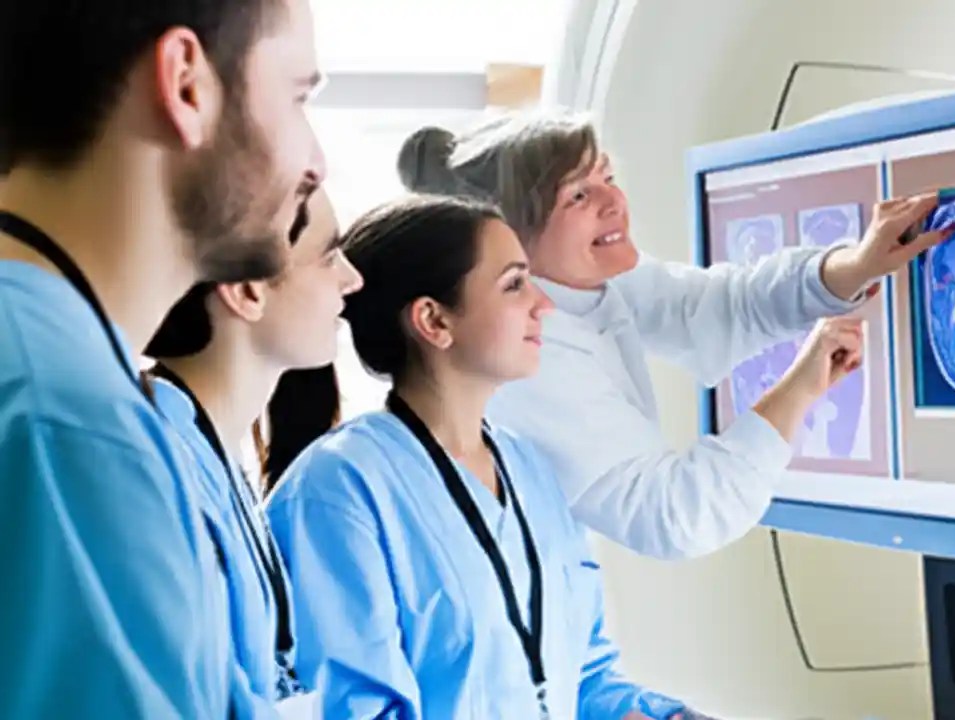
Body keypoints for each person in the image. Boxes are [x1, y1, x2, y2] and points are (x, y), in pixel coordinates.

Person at [263, 195, 769, 719]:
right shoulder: (338, 491)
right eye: (514, 285)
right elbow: (354, 709)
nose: (543, 304)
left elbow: (579, 679)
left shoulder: (528, 470)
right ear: (434, 320)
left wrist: (667, 716)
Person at [396, 112, 951, 559]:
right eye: (578, 197)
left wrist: (851, 267)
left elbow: (715, 306)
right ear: (511, 238)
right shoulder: (524, 362)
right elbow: (674, 515)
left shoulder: (587, 281)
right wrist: (800, 388)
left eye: (607, 177)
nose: (614, 202)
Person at [0, 0, 326, 715]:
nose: (315, 162)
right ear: (186, 85)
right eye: (298, 97)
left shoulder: (54, 368)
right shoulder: (70, 419)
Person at [144, 190, 362, 717]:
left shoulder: (210, 451)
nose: (352, 279)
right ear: (246, 290)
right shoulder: (157, 467)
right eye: (329, 256)